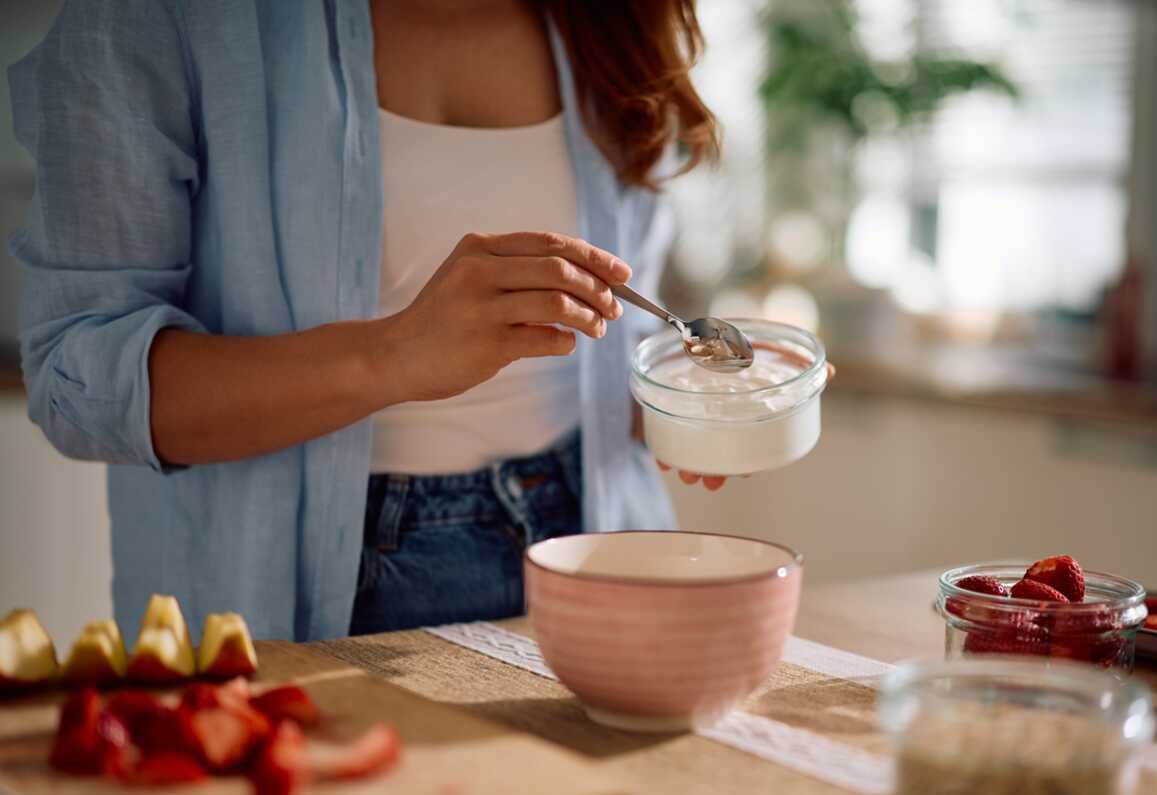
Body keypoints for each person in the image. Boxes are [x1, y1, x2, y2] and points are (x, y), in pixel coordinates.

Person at [9, 0, 720, 642]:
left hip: (601, 557)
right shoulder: (167, 17)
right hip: (313, 608)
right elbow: (79, 379)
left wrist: (684, 398)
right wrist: (394, 356)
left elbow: (615, 340)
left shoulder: (617, 18)